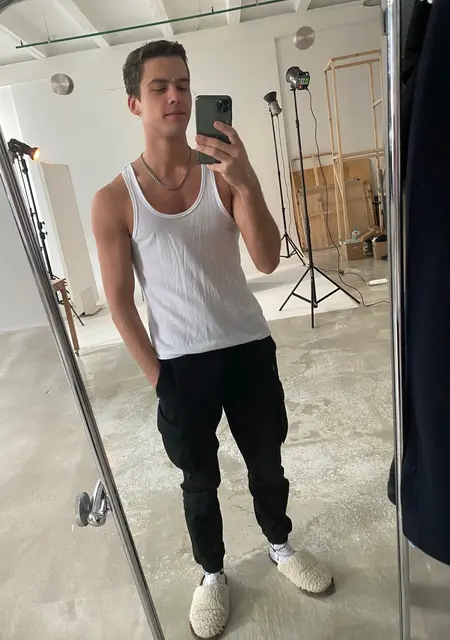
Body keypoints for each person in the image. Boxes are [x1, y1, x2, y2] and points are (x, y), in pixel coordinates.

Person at [92, 40, 334, 639]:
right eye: (159, 87)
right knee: (198, 479)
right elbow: (119, 304)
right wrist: (160, 379)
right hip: (180, 364)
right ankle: (211, 572)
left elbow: (268, 258)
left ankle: (279, 544)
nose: (175, 96)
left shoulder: (222, 177)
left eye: (182, 84)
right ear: (134, 103)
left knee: (267, 460)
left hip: (247, 346)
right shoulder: (114, 199)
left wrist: (246, 181)